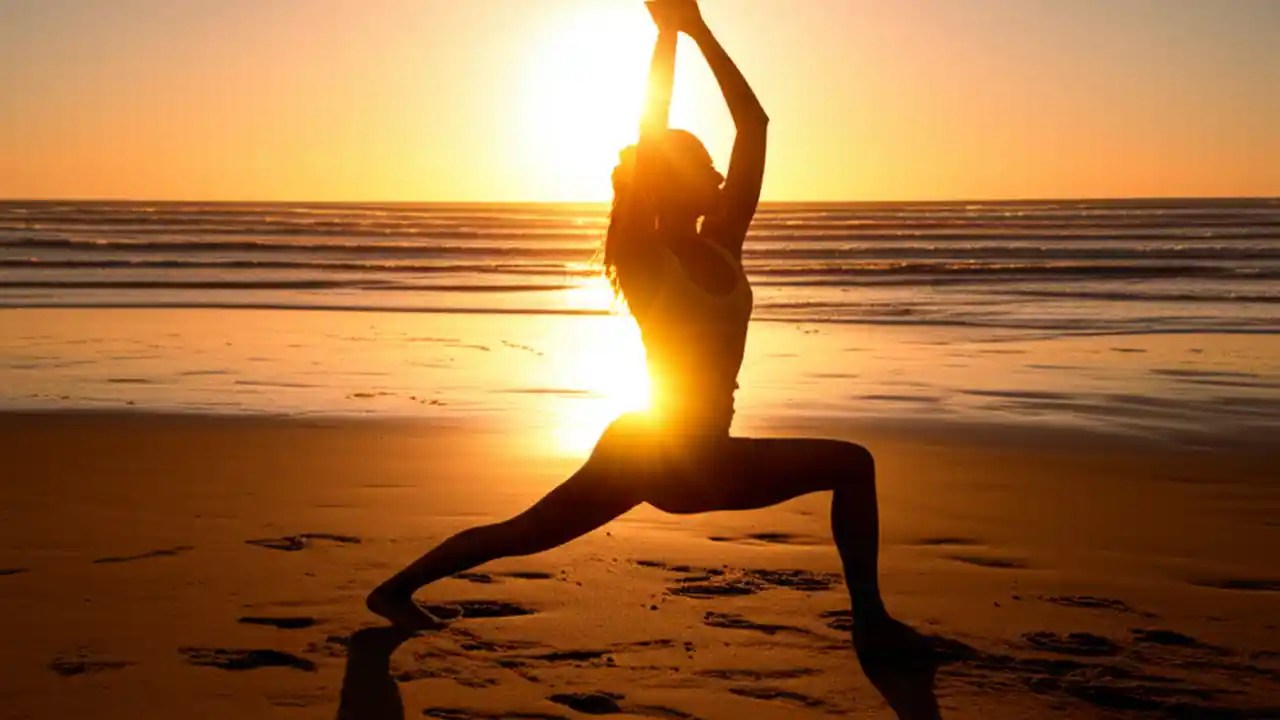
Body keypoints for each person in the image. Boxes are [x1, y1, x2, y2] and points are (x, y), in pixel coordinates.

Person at [368, 0, 928, 668]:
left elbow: (756, 122)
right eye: (704, 166)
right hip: (664, 453)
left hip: (683, 449)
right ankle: (870, 627)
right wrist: (664, 41)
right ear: (668, 183)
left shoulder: (722, 242)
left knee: (524, 532)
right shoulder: (642, 255)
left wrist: (696, 29)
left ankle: (393, 590)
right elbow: (649, 127)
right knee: (850, 464)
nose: (720, 174)